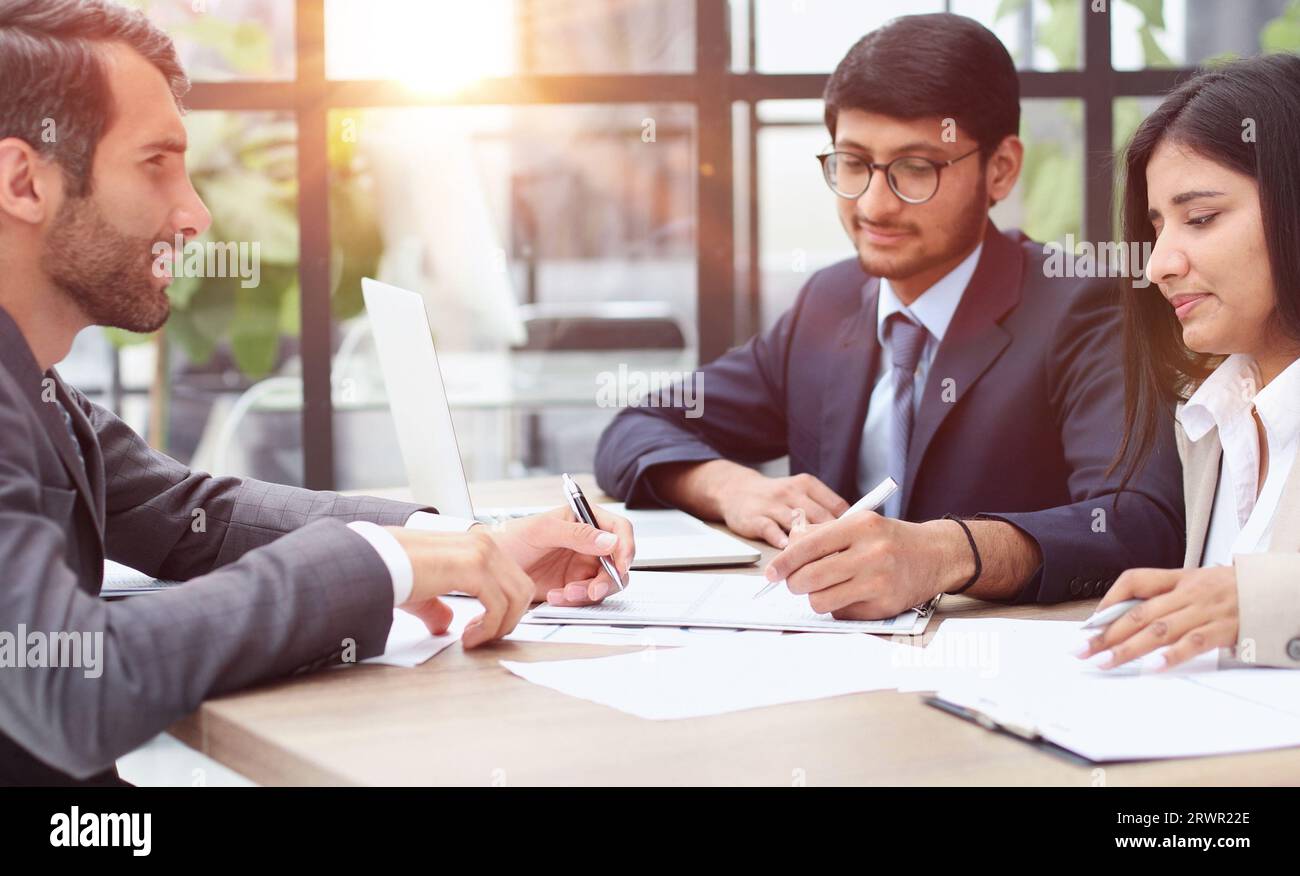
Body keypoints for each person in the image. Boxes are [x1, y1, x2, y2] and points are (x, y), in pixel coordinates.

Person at [0, 0, 632, 786]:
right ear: (26, 181)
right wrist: (369, 564)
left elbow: (194, 515)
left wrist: (464, 544)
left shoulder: (33, 385)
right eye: (156, 163)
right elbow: (71, 680)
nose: (195, 214)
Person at [595, 13, 1183, 619]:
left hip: (997, 674)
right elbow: (636, 427)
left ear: (1001, 169)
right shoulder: (829, 302)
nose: (875, 204)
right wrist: (732, 486)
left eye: (916, 169)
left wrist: (944, 553)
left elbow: (1136, 522)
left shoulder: (1085, 306)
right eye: (852, 163)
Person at [1078, 53, 1300, 672]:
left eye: (1201, 219)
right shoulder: (1209, 419)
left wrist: (1264, 604)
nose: (1158, 267)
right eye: (1158, 229)